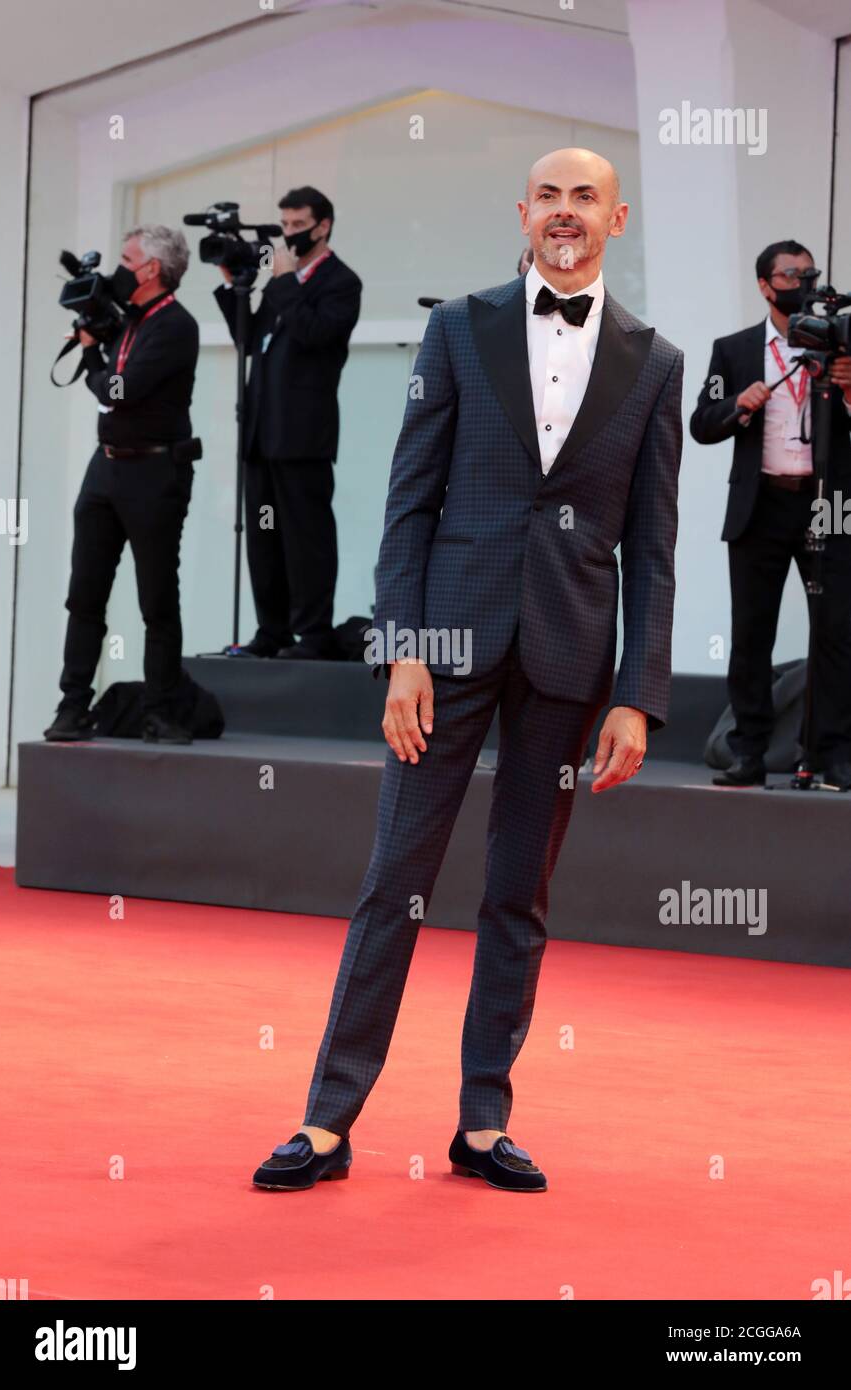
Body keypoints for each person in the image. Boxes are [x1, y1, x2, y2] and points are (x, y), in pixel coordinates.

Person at [252, 148, 683, 1193]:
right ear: (522, 212)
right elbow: (407, 502)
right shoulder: (455, 329)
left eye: (586, 197)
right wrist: (398, 648)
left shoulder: (656, 360)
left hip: (570, 658)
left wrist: (638, 693)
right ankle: (326, 1116)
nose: (565, 212)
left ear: (614, 218)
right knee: (393, 877)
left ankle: (482, 1119)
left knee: (517, 892)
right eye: (549, 195)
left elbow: (655, 544)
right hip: (442, 650)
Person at [690, 240, 851, 789]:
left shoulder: (840, 347)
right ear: (765, 285)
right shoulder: (733, 350)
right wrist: (739, 406)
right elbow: (702, 423)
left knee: (835, 630)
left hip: (826, 505)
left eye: (809, 273)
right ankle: (749, 752)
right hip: (759, 507)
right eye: (790, 274)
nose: (802, 282)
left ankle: (830, 753)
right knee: (751, 634)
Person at [44, 225, 200, 745]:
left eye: (127, 258)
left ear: (151, 269)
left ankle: (159, 711)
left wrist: (90, 354)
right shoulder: (128, 320)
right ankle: (72, 707)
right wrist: (97, 331)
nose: (118, 266)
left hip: (155, 473)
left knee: (156, 598)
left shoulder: (176, 326)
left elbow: (120, 389)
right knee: (84, 593)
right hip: (105, 470)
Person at [214, 186, 362, 660]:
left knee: (306, 538)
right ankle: (271, 630)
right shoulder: (285, 285)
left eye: (299, 225)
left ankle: (313, 633)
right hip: (261, 433)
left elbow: (314, 334)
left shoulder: (340, 282)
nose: (290, 234)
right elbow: (250, 339)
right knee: (264, 537)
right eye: (286, 225)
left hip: (302, 437)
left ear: (323, 226)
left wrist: (283, 284)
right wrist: (232, 287)